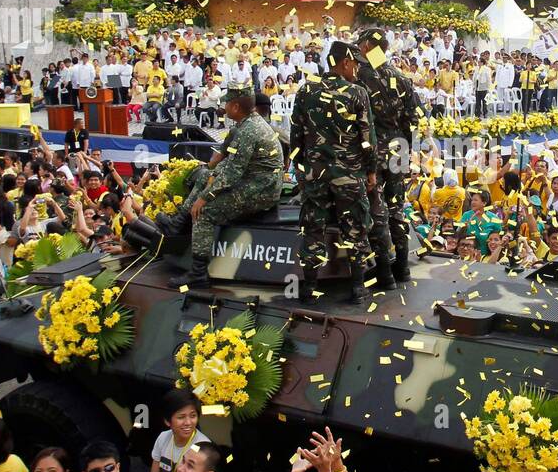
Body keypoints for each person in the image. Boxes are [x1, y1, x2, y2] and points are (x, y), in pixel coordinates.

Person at [170, 87, 282, 290]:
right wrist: (211, 174)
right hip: (253, 182)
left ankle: (198, 273)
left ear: (236, 106)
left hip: (261, 190)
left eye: (226, 103)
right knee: (205, 175)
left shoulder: (250, 130)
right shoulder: (246, 124)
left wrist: (203, 198)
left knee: (203, 212)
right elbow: (227, 163)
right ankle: (179, 221)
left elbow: (233, 174)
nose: (224, 107)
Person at [291, 41, 377, 303]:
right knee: (354, 229)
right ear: (346, 62)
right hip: (348, 174)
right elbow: (367, 138)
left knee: (312, 228)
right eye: (356, 65)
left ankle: (308, 287)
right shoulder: (356, 93)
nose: (357, 71)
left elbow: (296, 132)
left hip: (314, 174)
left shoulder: (306, 90)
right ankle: (358, 287)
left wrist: (299, 168)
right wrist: (371, 171)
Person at [356, 29, 424, 286]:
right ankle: (403, 268)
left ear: (366, 47)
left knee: (376, 210)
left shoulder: (360, 78)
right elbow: (413, 118)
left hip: (373, 152)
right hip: (399, 147)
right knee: (397, 208)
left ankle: (385, 272)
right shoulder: (402, 78)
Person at [149, 387, 210, 472]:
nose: (188, 422)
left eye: (193, 416)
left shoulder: (203, 447)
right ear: (168, 421)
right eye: (181, 417)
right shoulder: (163, 437)